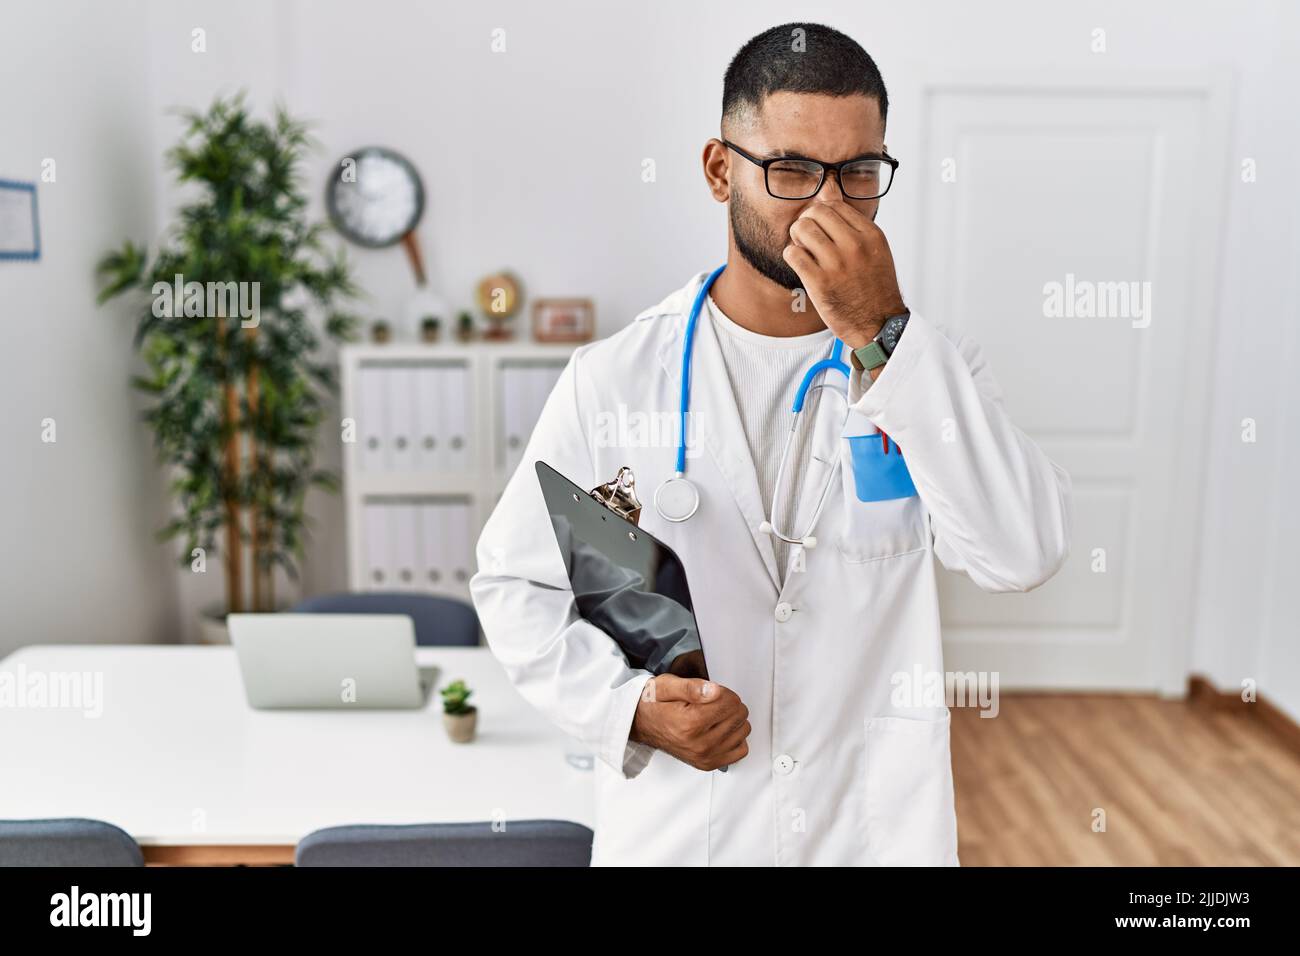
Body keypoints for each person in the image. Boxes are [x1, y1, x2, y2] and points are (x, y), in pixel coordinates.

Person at [470, 22, 1071, 866]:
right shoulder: (613, 377)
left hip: (870, 832)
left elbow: (1024, 551)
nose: (828, 205)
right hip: (686, 830)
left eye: (859, 174)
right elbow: (513, 585)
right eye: (790, 170)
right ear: (721, 171)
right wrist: (627, 708)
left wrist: (884, 338)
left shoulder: (930, 366)